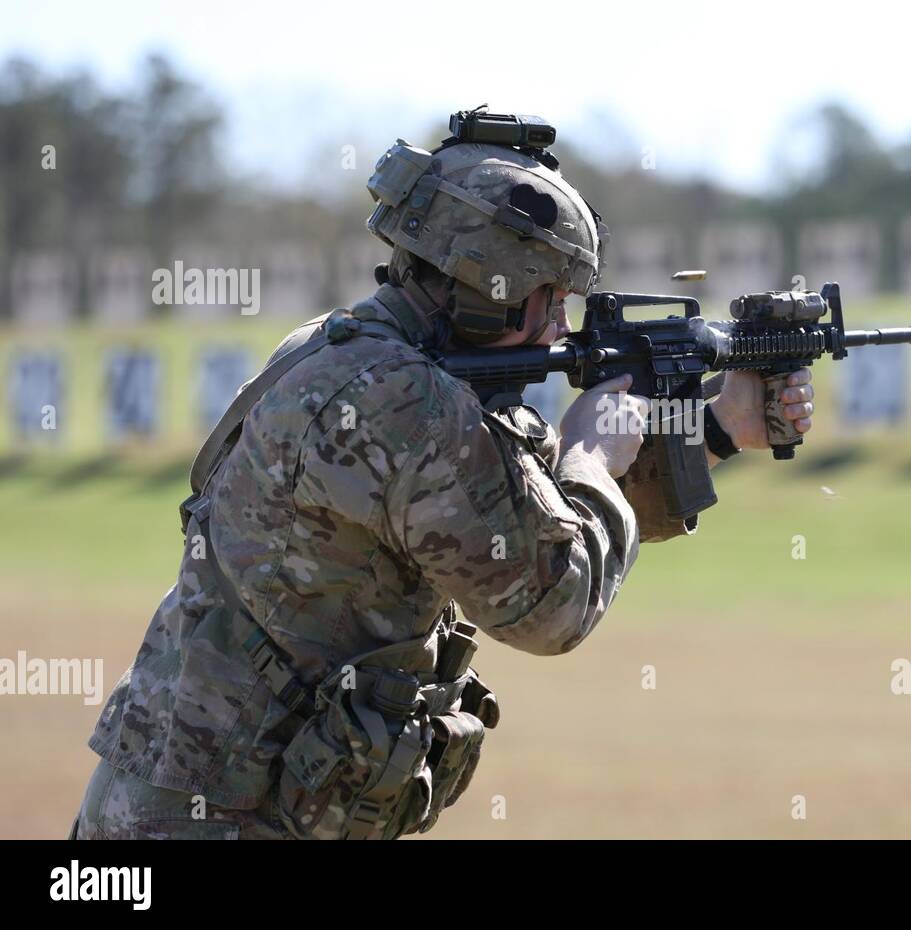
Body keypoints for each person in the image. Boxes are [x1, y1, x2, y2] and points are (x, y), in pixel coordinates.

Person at [72, 124, 815, 840]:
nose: (561, 325)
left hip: (191, 799)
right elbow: (552, 604)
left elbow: (520, 509)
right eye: (549, 296)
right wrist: (593, 456)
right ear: (488, 284)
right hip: (219, 818)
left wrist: (721, 427)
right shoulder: (404, 401)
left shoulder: (350, 350)